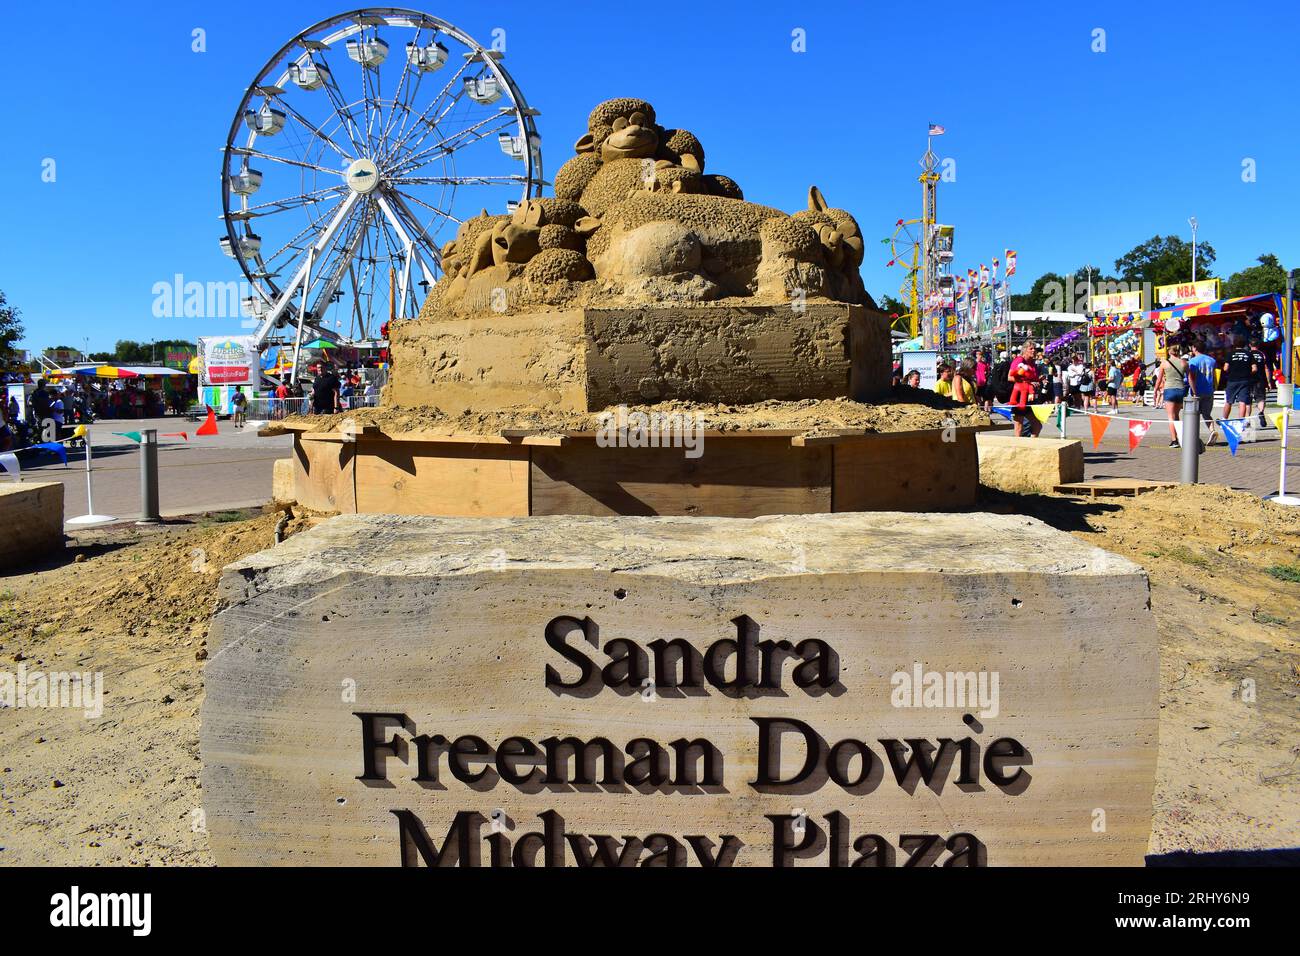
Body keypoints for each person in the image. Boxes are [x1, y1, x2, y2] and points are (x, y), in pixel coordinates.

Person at [1154, 343, 1190, 447]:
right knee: (1177, 415)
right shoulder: (1184, 363)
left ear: (1170, 351)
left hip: (1169, 390)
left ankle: (1174, 440)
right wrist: (1194, 391)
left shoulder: (1164, 363)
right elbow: (1190, 378)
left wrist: (1155, 391)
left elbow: (1159, 379)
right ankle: (1180, 437)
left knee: (1171, 416)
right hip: (1181, 390)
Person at [1187, 342, 1219, 446]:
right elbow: (1214, 375)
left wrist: (1193, 391)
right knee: (1206, 414)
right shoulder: (1212, 360)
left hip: (1197, 391)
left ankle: (1193, 437)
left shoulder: (1193, 361)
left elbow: (1191, 377)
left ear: (1195, 348)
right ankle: (1212, 430)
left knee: (1192, 415)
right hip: (1209, 390)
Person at [1008, 341, 1042, 438]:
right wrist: (1028, 383)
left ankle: (1031, 446)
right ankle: (1018, 448)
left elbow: (1031, 378)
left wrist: (1040, 380)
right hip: (1019, 396)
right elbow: (1010, 377)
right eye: (1031, 348)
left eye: (1034, 348)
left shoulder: (1032, 363)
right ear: (1024, 350)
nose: (1034, 350)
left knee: (1037, 425)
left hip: (1030, 396)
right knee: (1019, 426)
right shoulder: (1019, 360)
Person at [1221, 334, 1256, 422]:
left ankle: (1224, 419)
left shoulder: (1230, 354)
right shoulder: (1249, 354)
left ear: (1234, 343)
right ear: (1244, 344)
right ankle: (1241, 421)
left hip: (1232, 380)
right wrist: (1247, 372)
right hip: (1245, 380)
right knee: (1242, 401)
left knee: (1229, 401)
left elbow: (1225, 368)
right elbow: (1254, 368)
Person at [1249, 336, 1269, 428]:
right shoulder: (1262, 354)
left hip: (1249, 379)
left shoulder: (1248, 354)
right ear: (1258, 345)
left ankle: (1247, 419)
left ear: (1250, 345)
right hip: (1260, 379)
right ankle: (1261, 412)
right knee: (1261, 398)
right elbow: (1266, 369)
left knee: (1248, 400)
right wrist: (1268, 382)